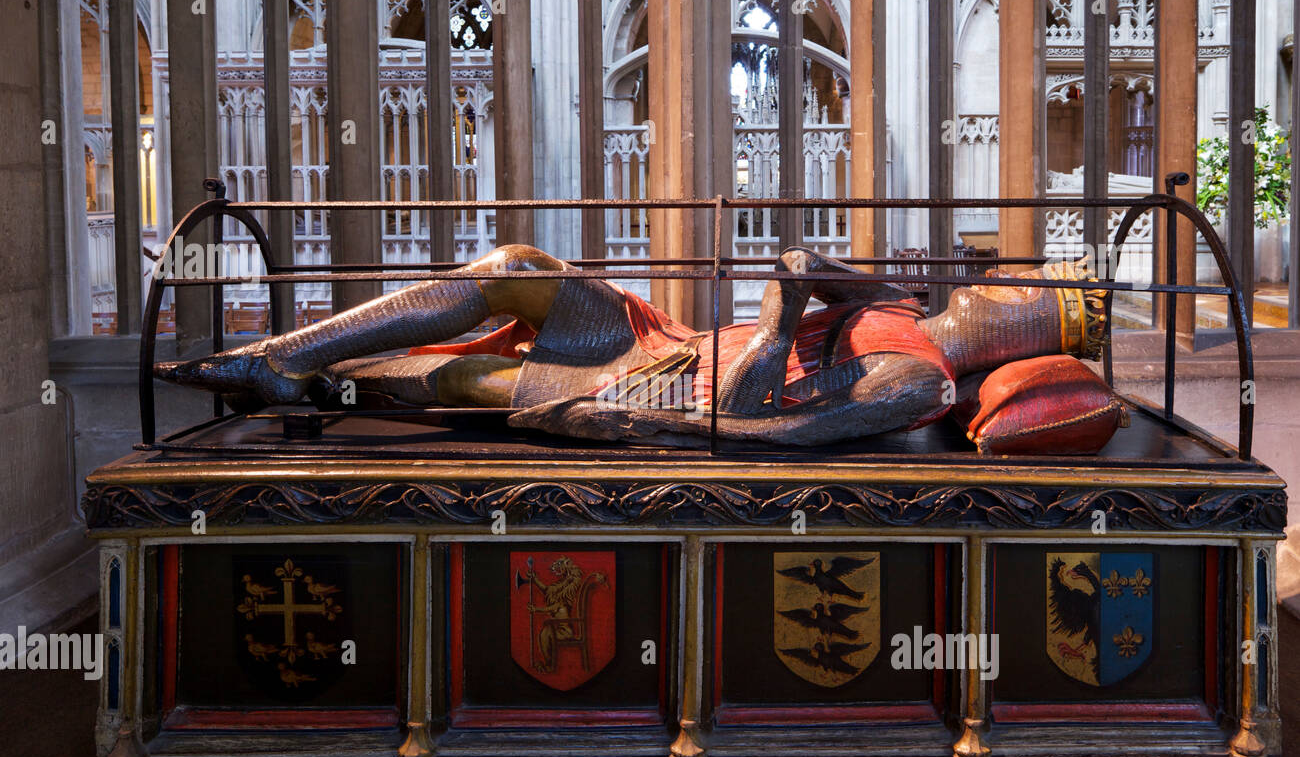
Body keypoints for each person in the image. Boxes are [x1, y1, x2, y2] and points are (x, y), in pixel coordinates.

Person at [156, 244, 1105, 445]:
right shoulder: (897, 305)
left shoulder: (920, 380)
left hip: (660, 400)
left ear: (1018, 333)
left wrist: (786, 308)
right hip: (664, 339)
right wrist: (823, 285)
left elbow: (760, 428)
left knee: (450, 378)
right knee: (516, 265)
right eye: (1013, 285)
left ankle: (297, 386)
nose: (1000, 294)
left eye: (1025, 301)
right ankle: (283, 351)